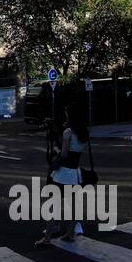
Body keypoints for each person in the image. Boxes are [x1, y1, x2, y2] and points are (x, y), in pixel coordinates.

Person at [36, 103, 89, 246]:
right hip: (75, 172)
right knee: (73, 206)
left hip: (63, 173)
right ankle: (70, 234)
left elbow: (64, 154)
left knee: (53, 206)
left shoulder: (68, 133)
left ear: (70, 115)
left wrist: (57, 150)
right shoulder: (84, 132)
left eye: (67, 112)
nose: (65, 114)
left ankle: (46, 238)